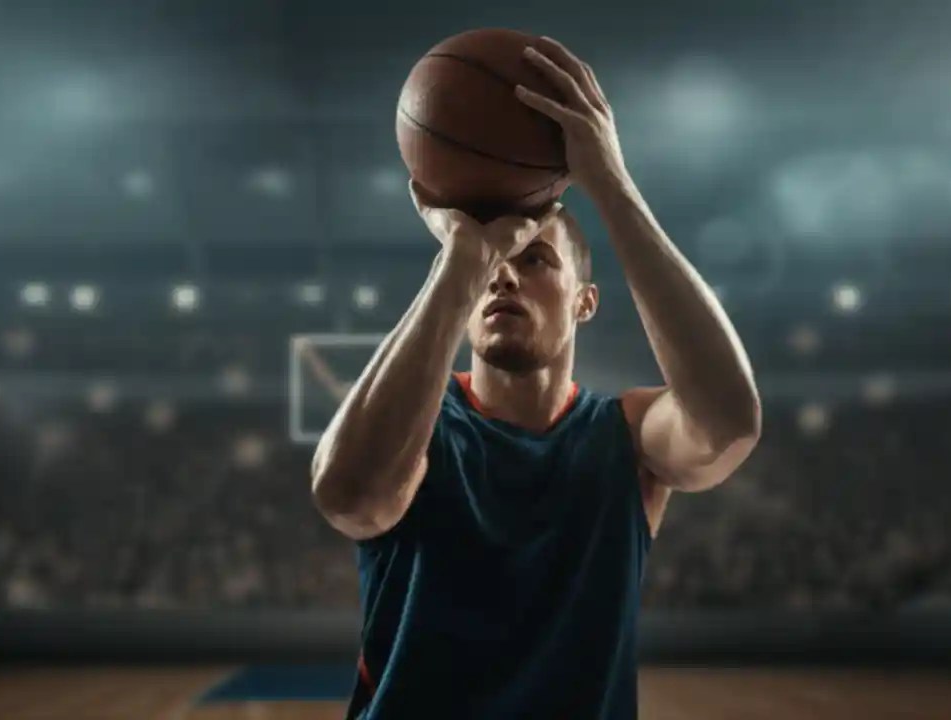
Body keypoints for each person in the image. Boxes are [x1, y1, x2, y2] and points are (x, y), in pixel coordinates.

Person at [311, 36, 762, 720]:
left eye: (535, 261)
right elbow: (349, 496)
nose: (504, 276)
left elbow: (728, 424)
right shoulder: (414, 425)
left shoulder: (628, 437)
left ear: (586, 301)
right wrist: (460, 259)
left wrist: (609, 182)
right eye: (491, 268)